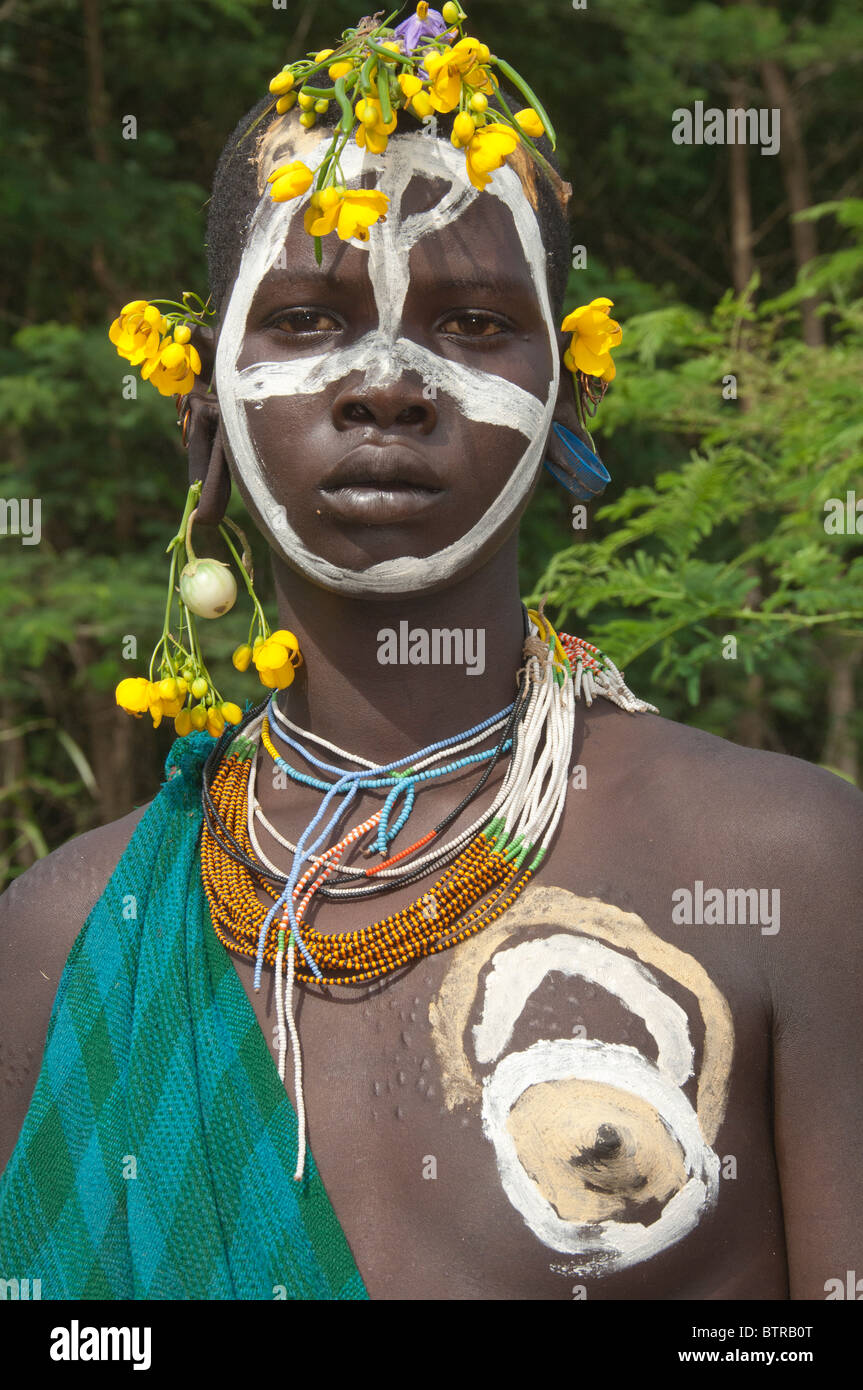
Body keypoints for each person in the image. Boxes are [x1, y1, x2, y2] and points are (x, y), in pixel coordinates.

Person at [1, 6, 861, 1302]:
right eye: (305, 316)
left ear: (568, 399)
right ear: (203, 411)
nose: (389, 379)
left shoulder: (788, 867)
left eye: (469, 322)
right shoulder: (64, 934)